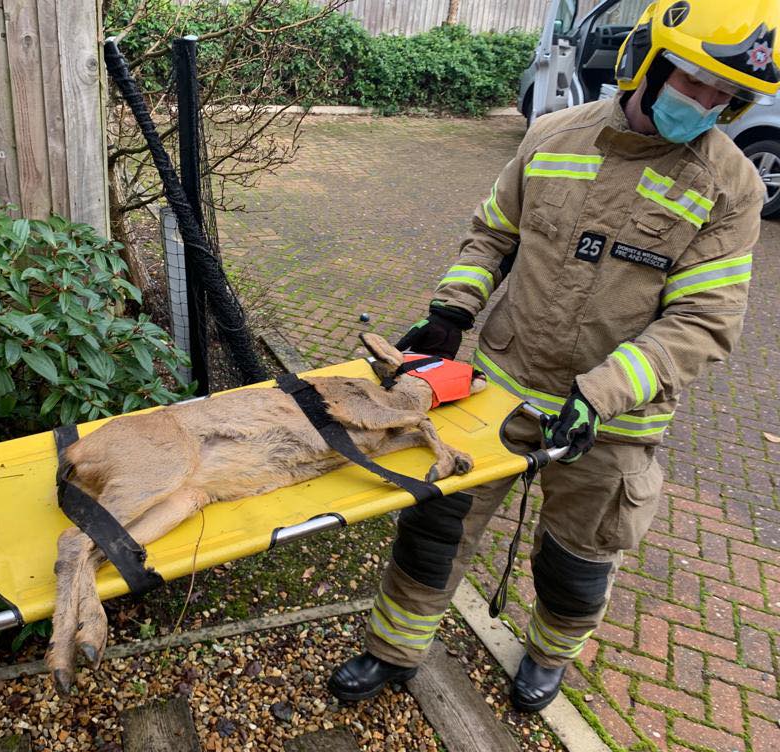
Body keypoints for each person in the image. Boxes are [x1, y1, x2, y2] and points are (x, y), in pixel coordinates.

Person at [330, 0, 774, 712]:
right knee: (434, 530)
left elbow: (703, 321)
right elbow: (492, 235)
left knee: (577, 557)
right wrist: (453, 309)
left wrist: (600, 393)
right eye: (695, 83)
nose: (708, 105)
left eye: (728, 98)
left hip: (613, 421)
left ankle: (548, 658)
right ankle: (393, 650)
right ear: (647, 61)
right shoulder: (553, 134)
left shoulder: (730, 187)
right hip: (501, 390)